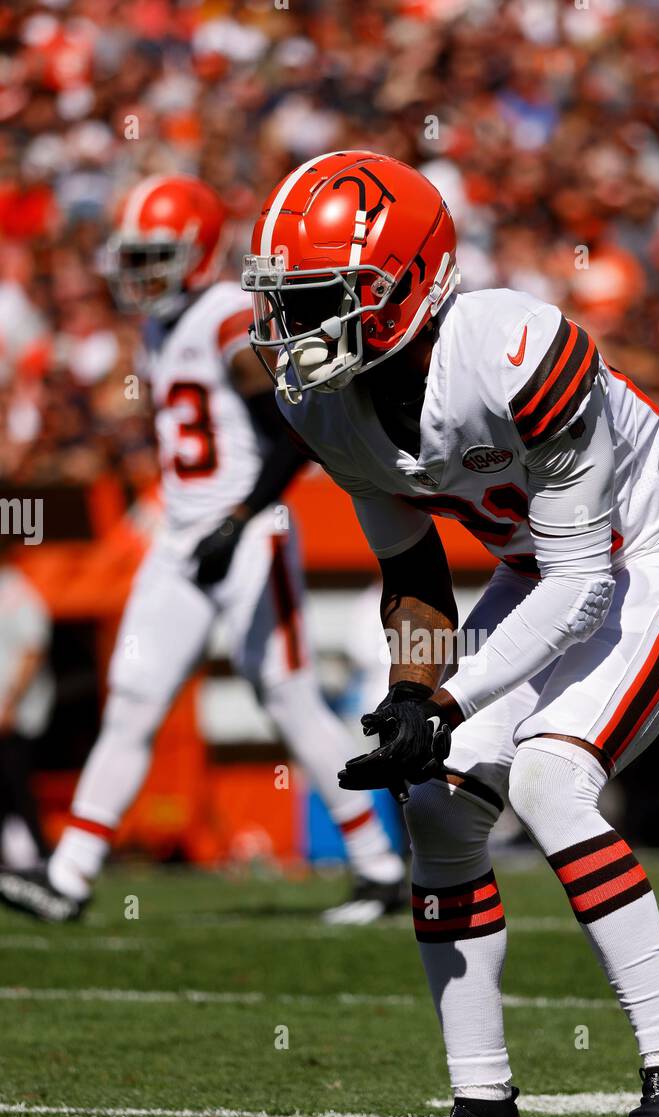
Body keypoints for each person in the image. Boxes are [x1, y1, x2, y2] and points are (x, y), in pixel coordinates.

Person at [242, 150, 659, 1117]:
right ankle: (485, 1113)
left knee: (554, 778)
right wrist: (408, 694)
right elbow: (416, 573)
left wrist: (454, 694)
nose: (296, 330)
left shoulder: (517, 347)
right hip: (541, 569)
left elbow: (585, 582)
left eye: (325, 299)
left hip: (656, 551)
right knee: (434, 805)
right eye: (287, 302)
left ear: (413, 286)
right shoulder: (325, 408)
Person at [0, 174, 403, 927]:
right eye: (136, 256)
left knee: (287, 699)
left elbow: (293, 432)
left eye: (157, 255)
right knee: (132, 701)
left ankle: (379, 867)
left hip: (250, 533)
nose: (141, 272)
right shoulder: (161, 327)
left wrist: (244, 514)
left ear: (198, 250)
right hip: (183, 537)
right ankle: (70, 875)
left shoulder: (223, 316)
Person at [0, 546, 54, 867]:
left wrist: (10, 700)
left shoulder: (16, 592)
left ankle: (43, 854)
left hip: (14, 712)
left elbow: (33, 647)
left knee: (17, 783)